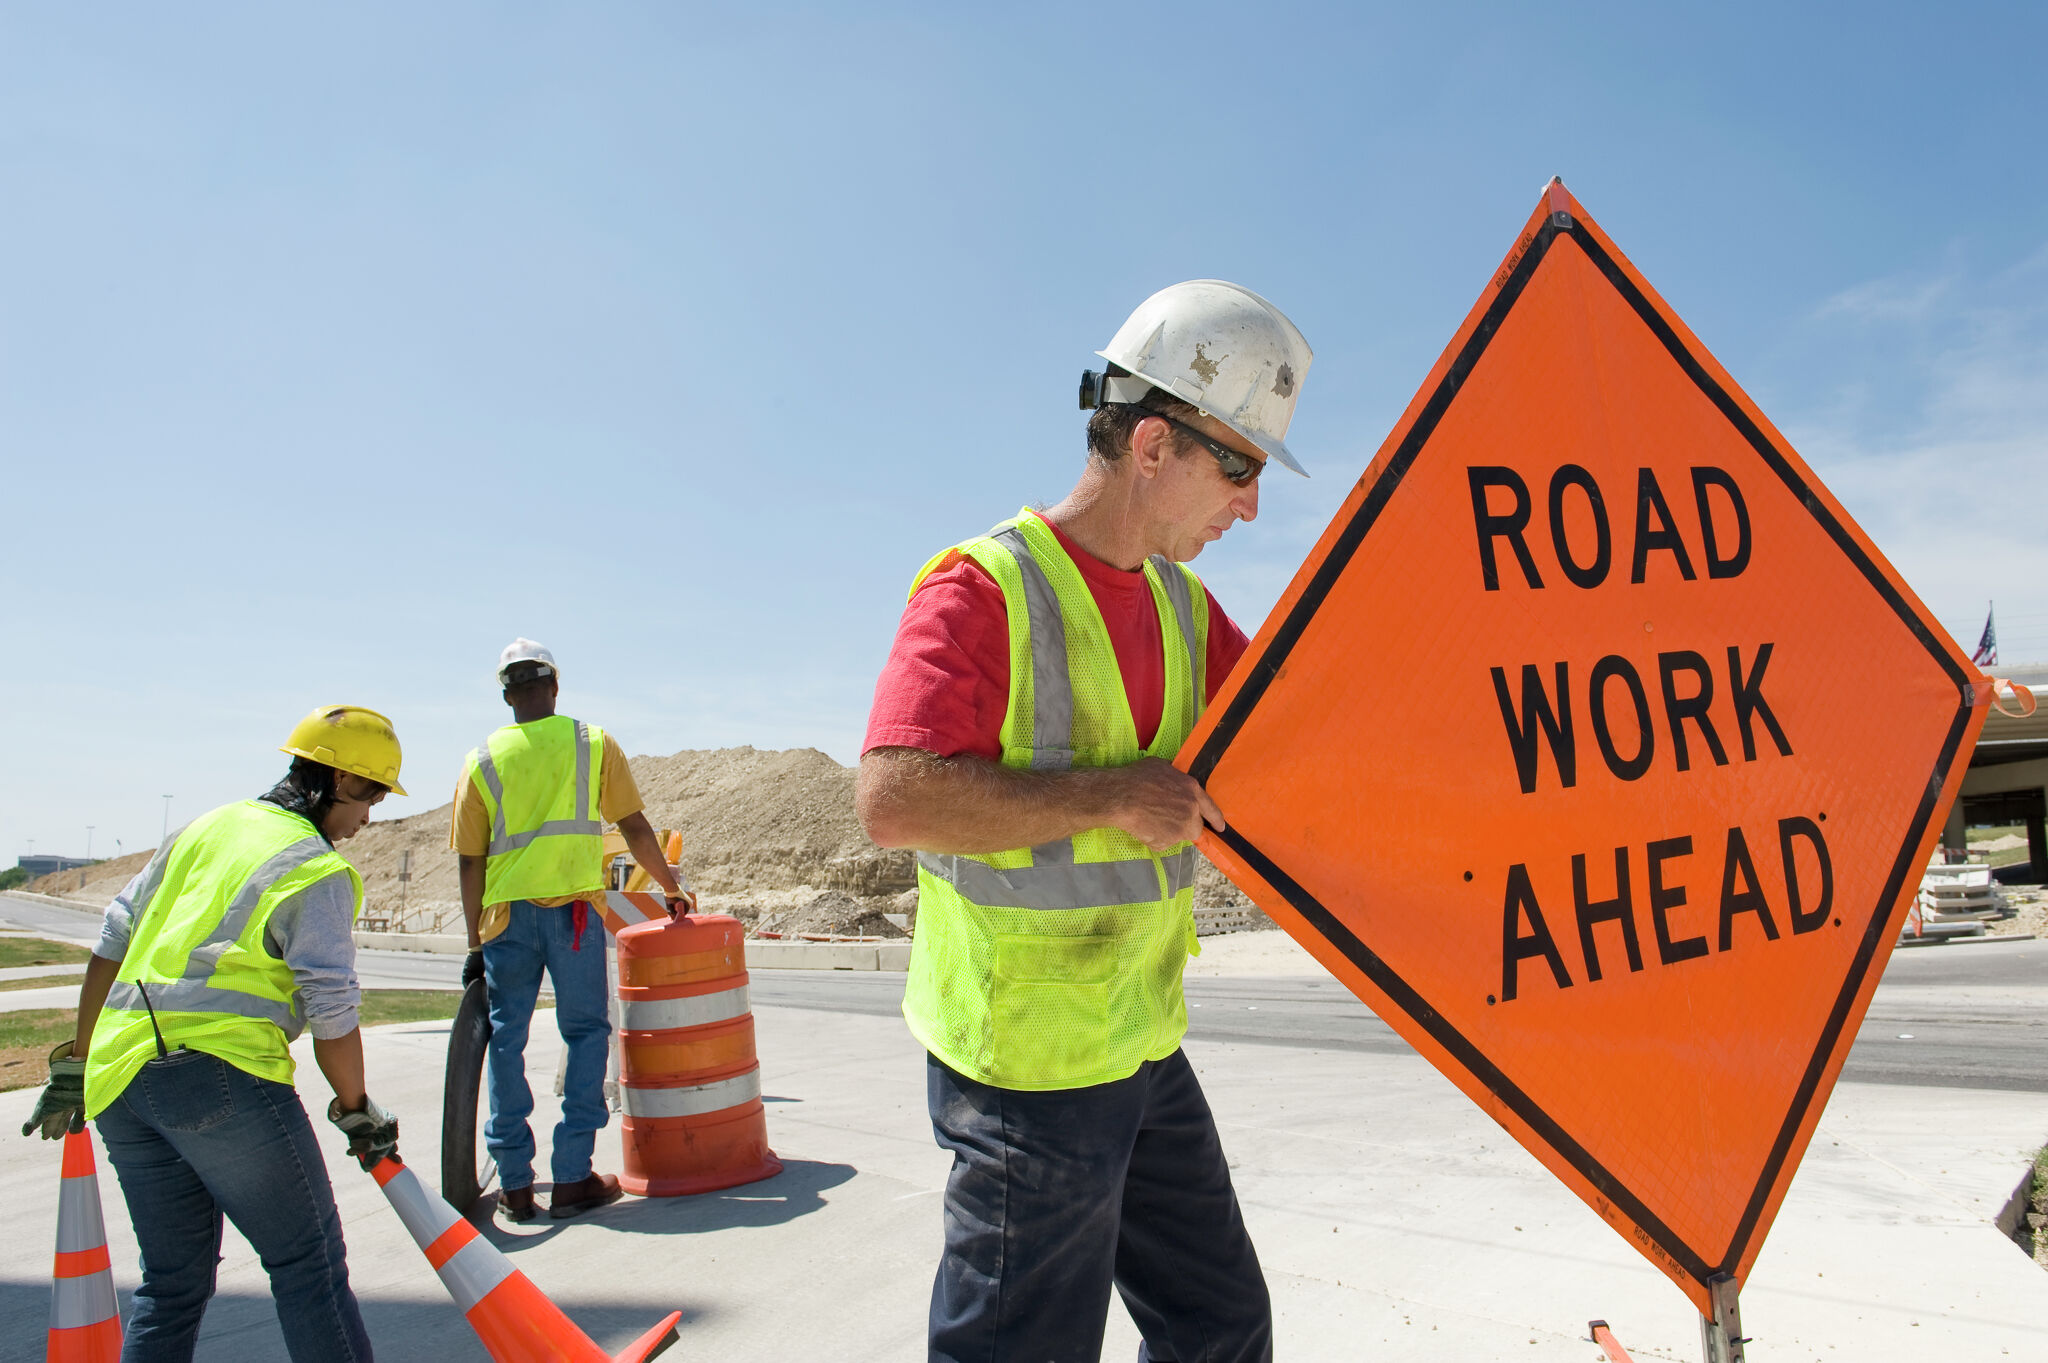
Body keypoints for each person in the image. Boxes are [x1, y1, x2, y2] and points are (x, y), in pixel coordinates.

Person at [856, 280, 1313, 1363]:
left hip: (1140, 1045)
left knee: (1220, 1325)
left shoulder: (1181, 606)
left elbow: (1293, 743)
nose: (1249, 504)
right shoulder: (981, 591)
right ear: (1153, 443)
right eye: (1238, 466)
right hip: (1023, 1071)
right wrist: (1111, 794)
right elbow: (891, 800)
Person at [21, 704, 408, 1363]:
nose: (368, 815)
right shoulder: (316, 870)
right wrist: (355, 1109)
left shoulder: (207, 826)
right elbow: (332, 1010)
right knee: (307, 1264)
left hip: (122, 1083)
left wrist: (77, 1064)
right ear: (339, 780)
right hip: (219, 1080)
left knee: (172, 1284)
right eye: (371, 793)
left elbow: (111, 942)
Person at [452, 638, 691, 1222]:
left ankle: (513, 1185)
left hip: (505, 917)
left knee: (506, 1041)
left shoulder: (481, 758)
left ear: (507, 694)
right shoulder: (592, 743)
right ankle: (571, 1178)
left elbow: (469, 861)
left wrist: (474, 942)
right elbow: (634, 826)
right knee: (586, 1033)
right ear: (554, 686)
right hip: (575, 917)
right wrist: (669, 887)